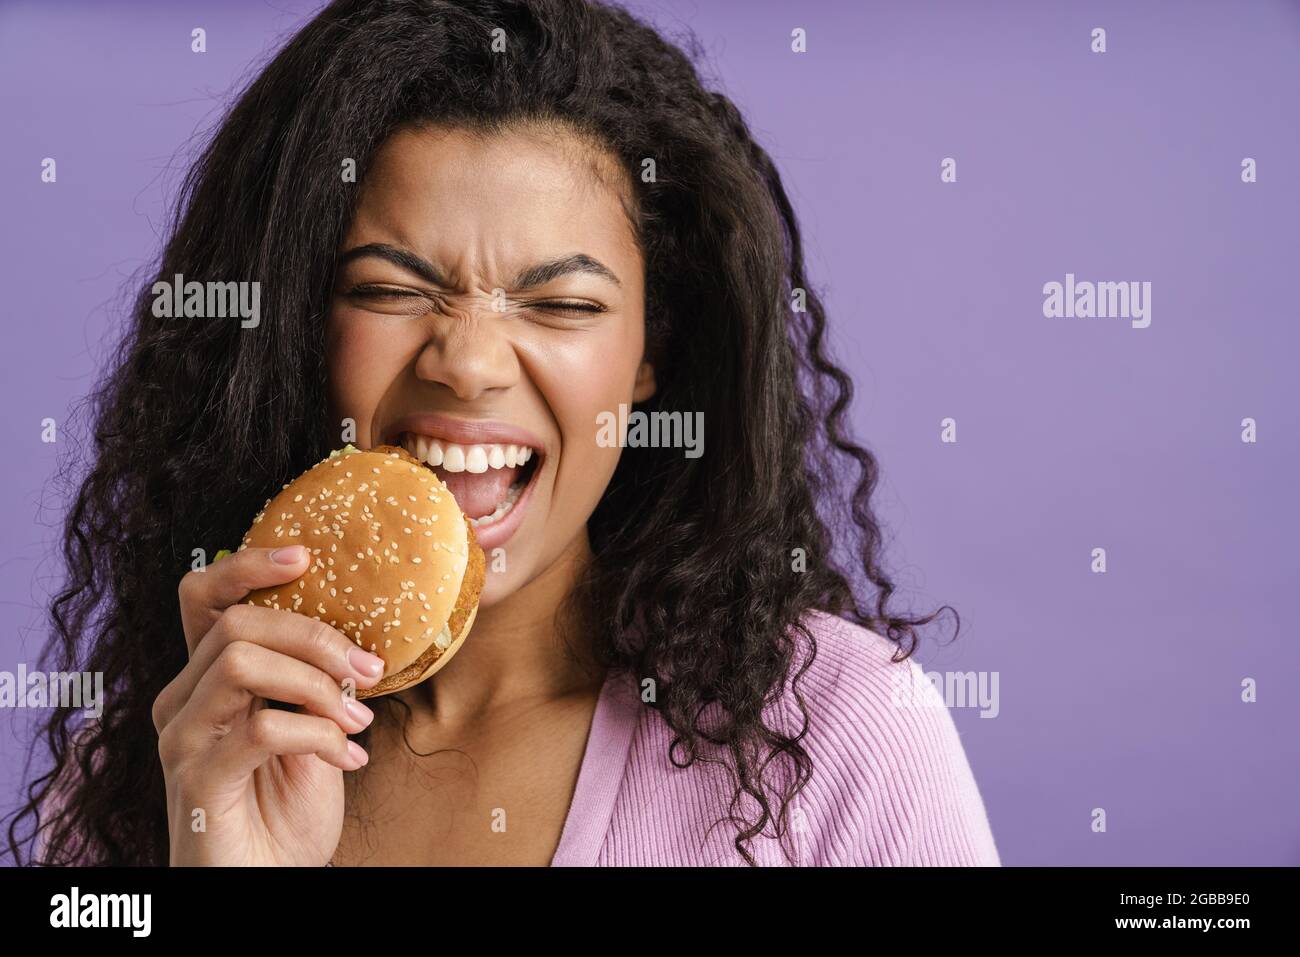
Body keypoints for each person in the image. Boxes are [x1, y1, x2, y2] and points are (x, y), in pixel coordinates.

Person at [8, 0, 998, 867]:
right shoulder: (163, 766)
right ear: (300, 334)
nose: (468, 362)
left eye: (561, 303)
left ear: (652, 354)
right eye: (391, 289)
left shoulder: (834, 732)